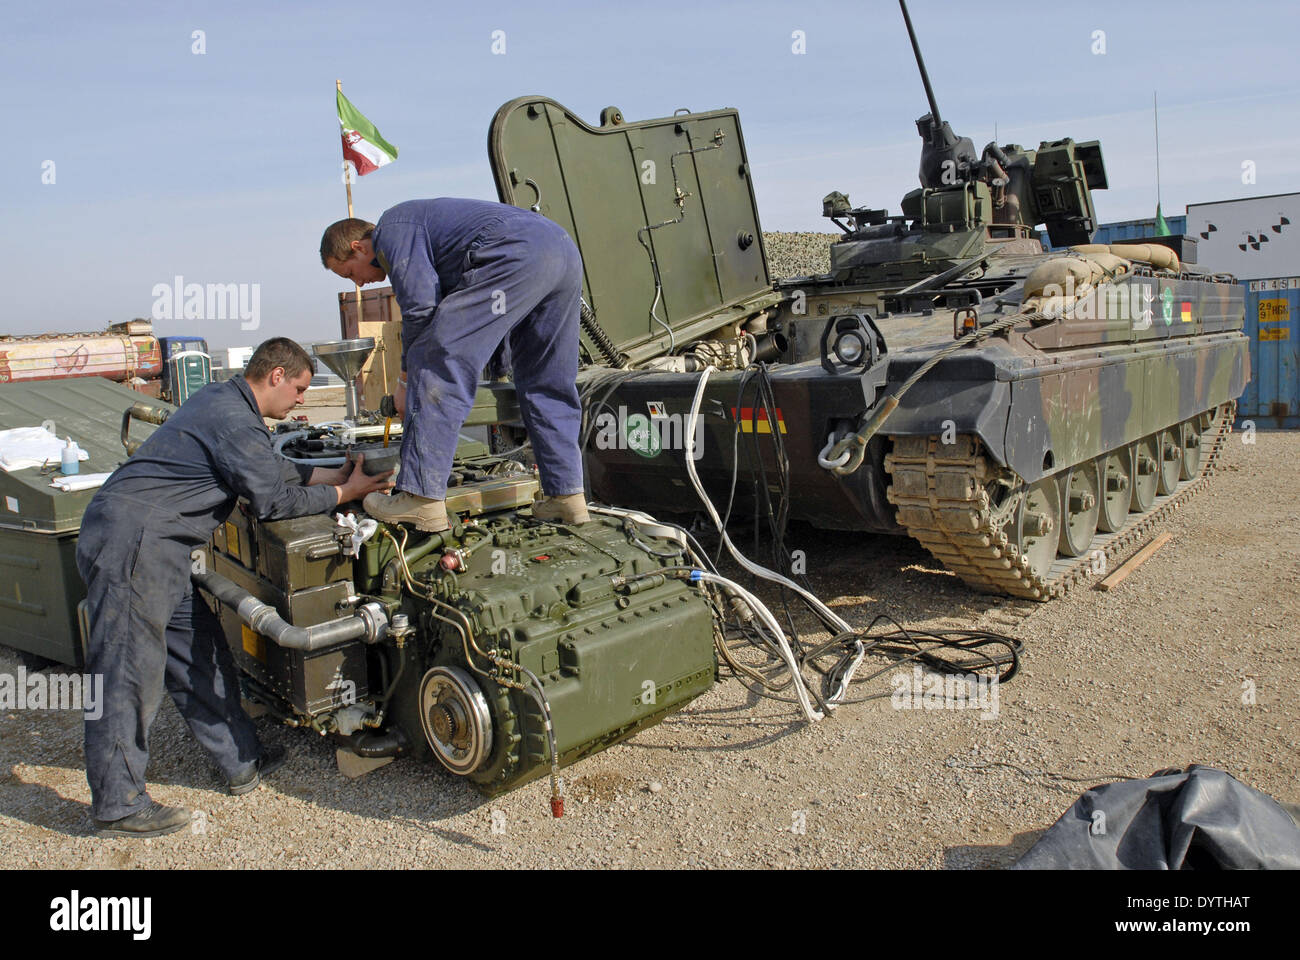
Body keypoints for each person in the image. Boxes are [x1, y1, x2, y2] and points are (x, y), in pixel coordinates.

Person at [76, 337, 392, 838]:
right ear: (276, 376)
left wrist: (332, 472)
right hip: (133, 544)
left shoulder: (225, 403)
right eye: (301, 388)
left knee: (199, 652)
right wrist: (342, 492)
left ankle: (241, 759)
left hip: (158, 546)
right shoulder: (233, 417)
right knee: (126, 671)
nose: (303, 400)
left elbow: (266, 469)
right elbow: (270, 500)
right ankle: (118, 804)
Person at [320, 197, 590, 532]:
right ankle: (567, 496)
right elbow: (493, 318)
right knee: (547, 379)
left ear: (359, 247)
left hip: (517, 251)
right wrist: (500, 368)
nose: (358, 284)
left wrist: (405, 381)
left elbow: (420, 309)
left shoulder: (392, 229)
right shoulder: (434, 238)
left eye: (349, 273)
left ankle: (421, 499)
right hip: (561, 251)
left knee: (434, 361)